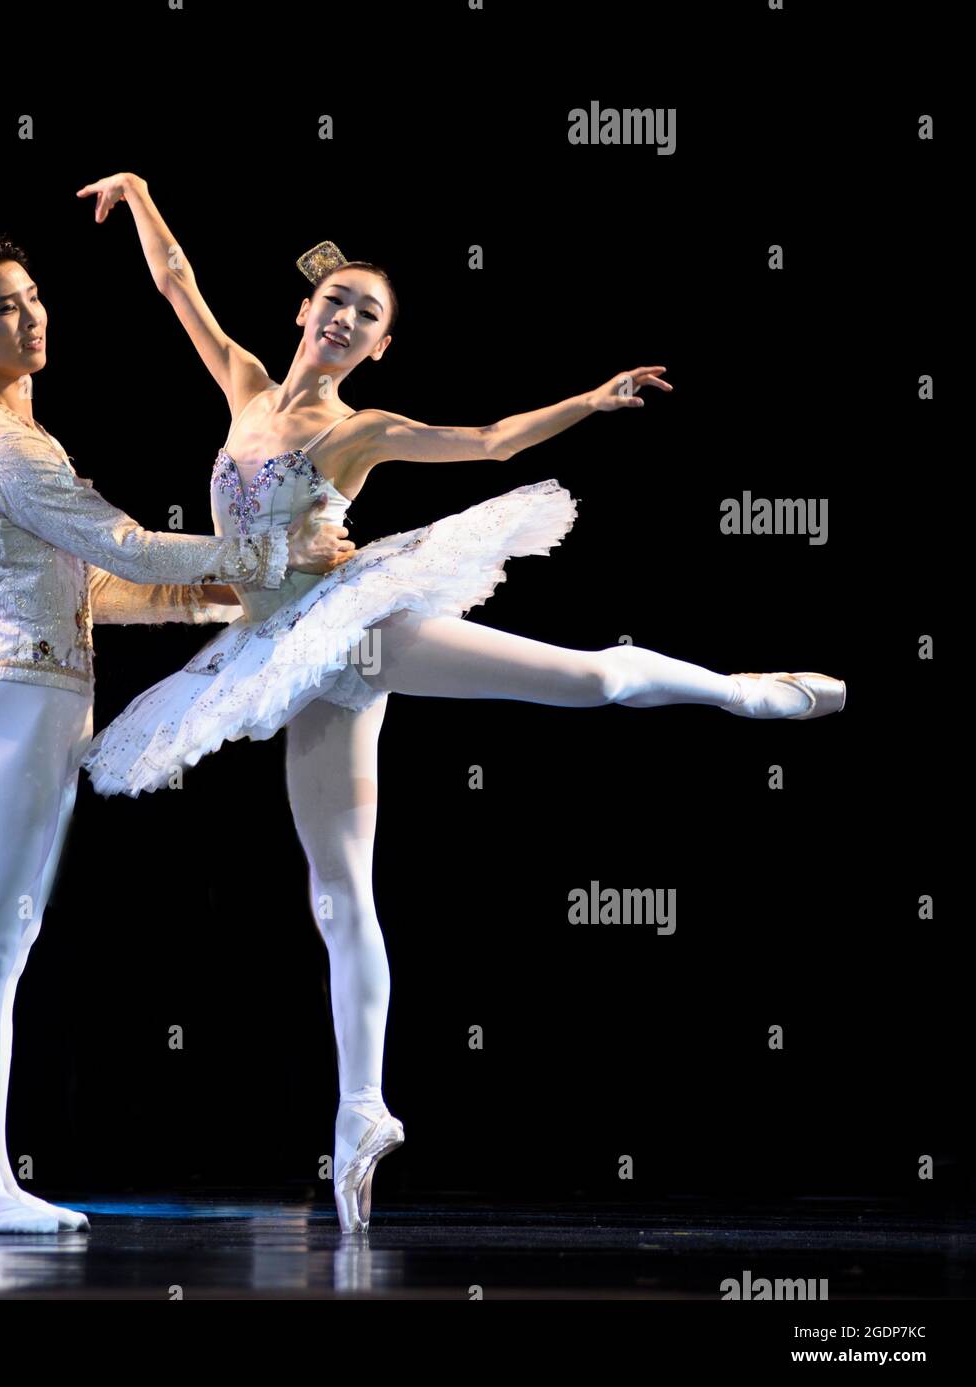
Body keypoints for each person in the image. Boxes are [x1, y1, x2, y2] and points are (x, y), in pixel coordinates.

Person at [72, 175, 847, 1233]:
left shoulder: (361, 428)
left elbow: (484, 442)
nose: (344, 318)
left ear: (377, 346)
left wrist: (587, 400)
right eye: (335, 300)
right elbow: (176, 286)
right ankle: (359, 1115)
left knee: (583, 677)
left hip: (353, 621)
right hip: (285, 658)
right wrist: (143, 193)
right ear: (304, 310)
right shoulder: (245, 385)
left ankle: (744, 691)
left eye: (368, 315)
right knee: (339, 895)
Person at [0, 236, 353, 1234]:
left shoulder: (18, 433)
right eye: (8, 312)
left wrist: (221, 594)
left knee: (6, 938)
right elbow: (119, 541)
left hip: (40, 695)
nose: (34, 319)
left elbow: (97, 589)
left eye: (36, 300)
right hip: (19, 701)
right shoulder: (9, 450)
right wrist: (270, 549)